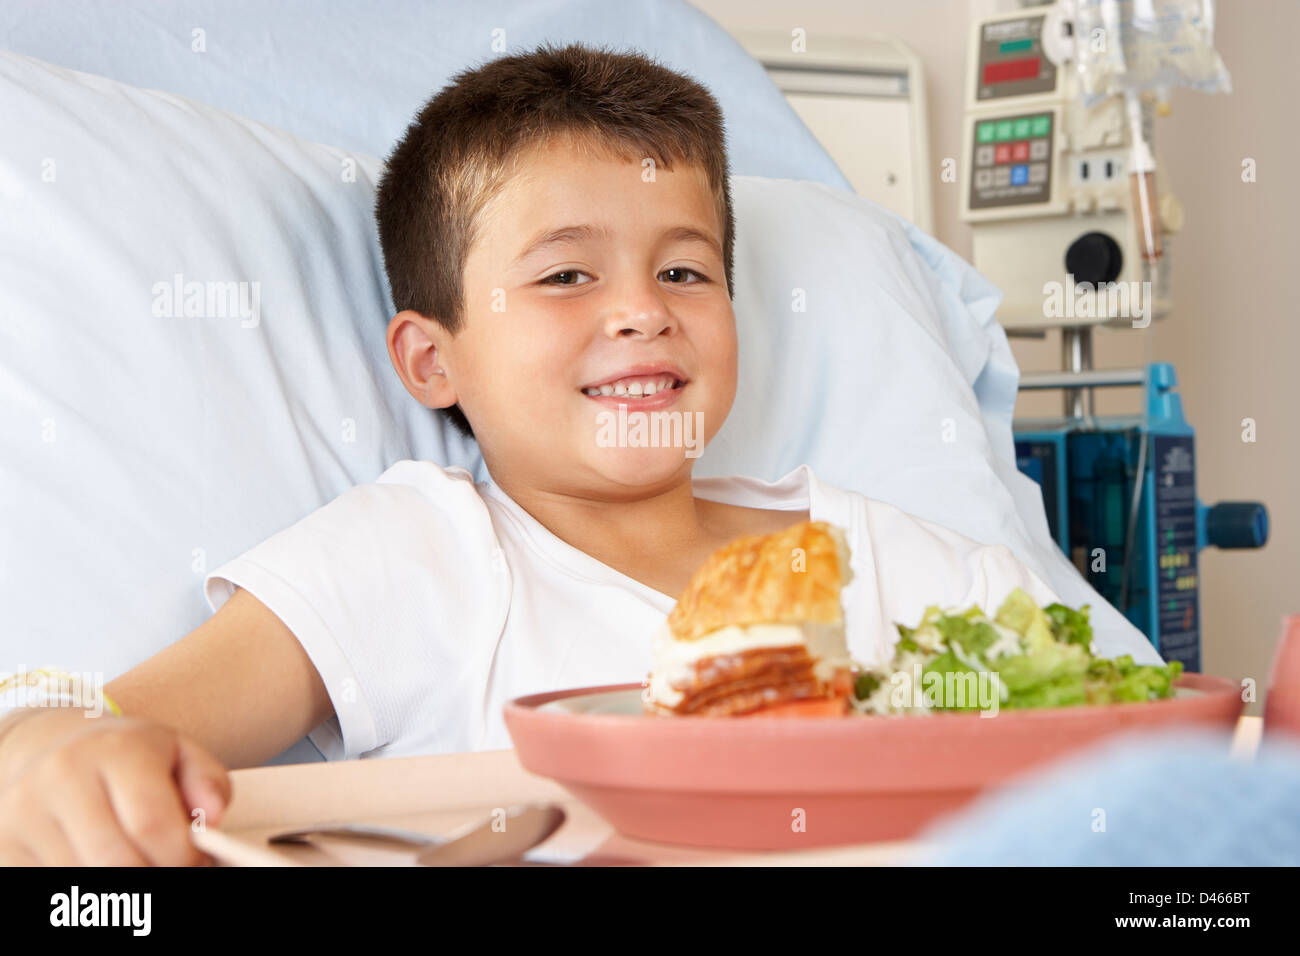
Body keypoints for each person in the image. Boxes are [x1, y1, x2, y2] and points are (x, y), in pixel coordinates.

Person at [0, 42, 1063, 866]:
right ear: (430, 361)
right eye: (565, 277)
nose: (643, 311)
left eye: (686, 272)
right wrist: (47, 754)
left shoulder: (895, 563)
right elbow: (106, 725)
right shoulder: (428, 556)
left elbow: (1122, 751)